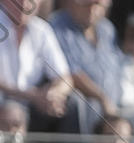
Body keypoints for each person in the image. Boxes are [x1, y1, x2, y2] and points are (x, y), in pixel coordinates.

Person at [0, 0, 74, 134]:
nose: (24, 4)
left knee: (72, 104)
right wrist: (31, 96)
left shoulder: (42, 30)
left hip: (32, 103)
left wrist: (52, 94)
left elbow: (65, 79)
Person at [50, 0, 124, 135]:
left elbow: (117, 65)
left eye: (97, 4)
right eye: (86, 4)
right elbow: (70, 73)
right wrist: (103, 99)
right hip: (82, 107)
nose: (92, 9)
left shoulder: (107, 28)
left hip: (112, 107)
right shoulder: (57, 25)